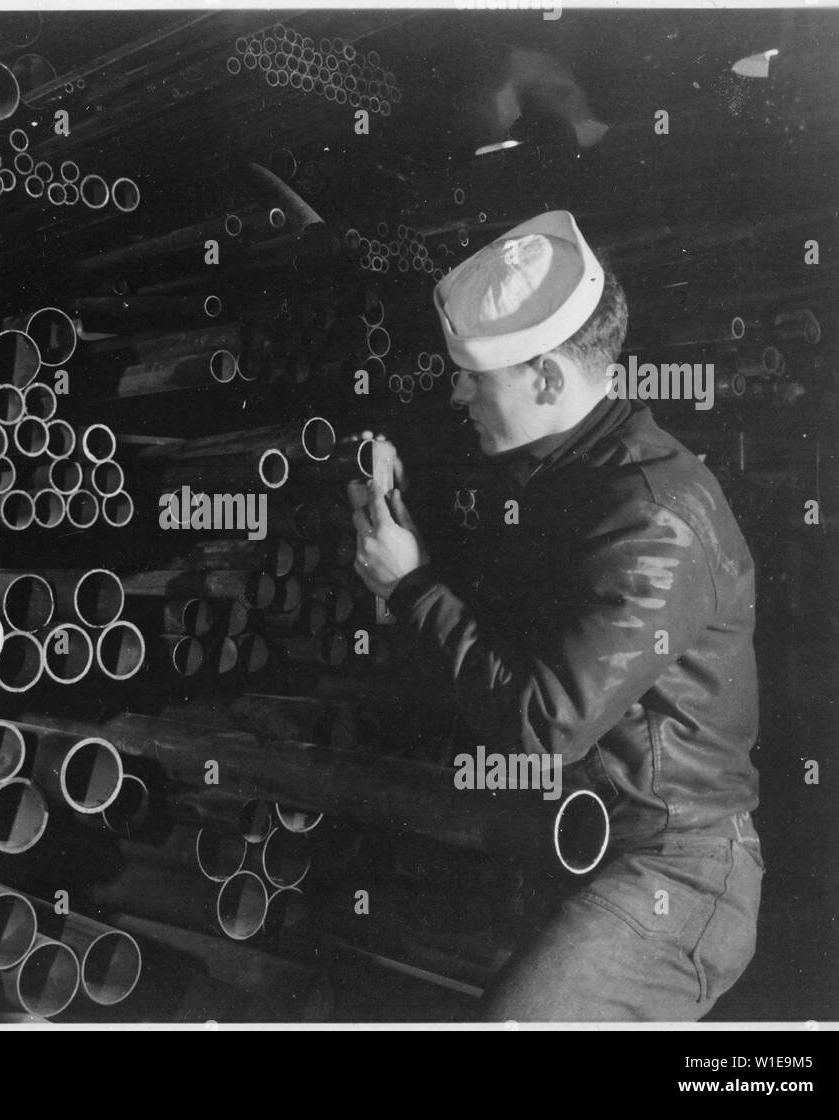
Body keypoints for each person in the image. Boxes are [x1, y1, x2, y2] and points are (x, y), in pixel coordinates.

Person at [348, 211, 763, 1021]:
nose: (459, 393)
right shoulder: (574, 461)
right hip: (580, 836)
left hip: (678, 868)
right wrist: (399, 466)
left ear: (544, 378)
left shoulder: (654, 518)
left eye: (474, 377)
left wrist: (411, 589)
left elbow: (546, 722)